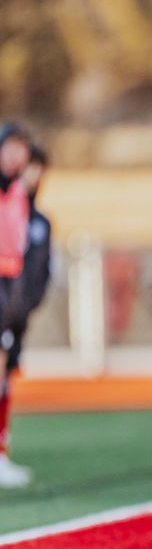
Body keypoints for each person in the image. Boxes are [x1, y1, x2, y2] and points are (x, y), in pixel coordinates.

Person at [0, 126, 34, 488]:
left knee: (5, 373)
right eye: (10, 148)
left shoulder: (19, 192)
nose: (15, 157)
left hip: (11, 286)